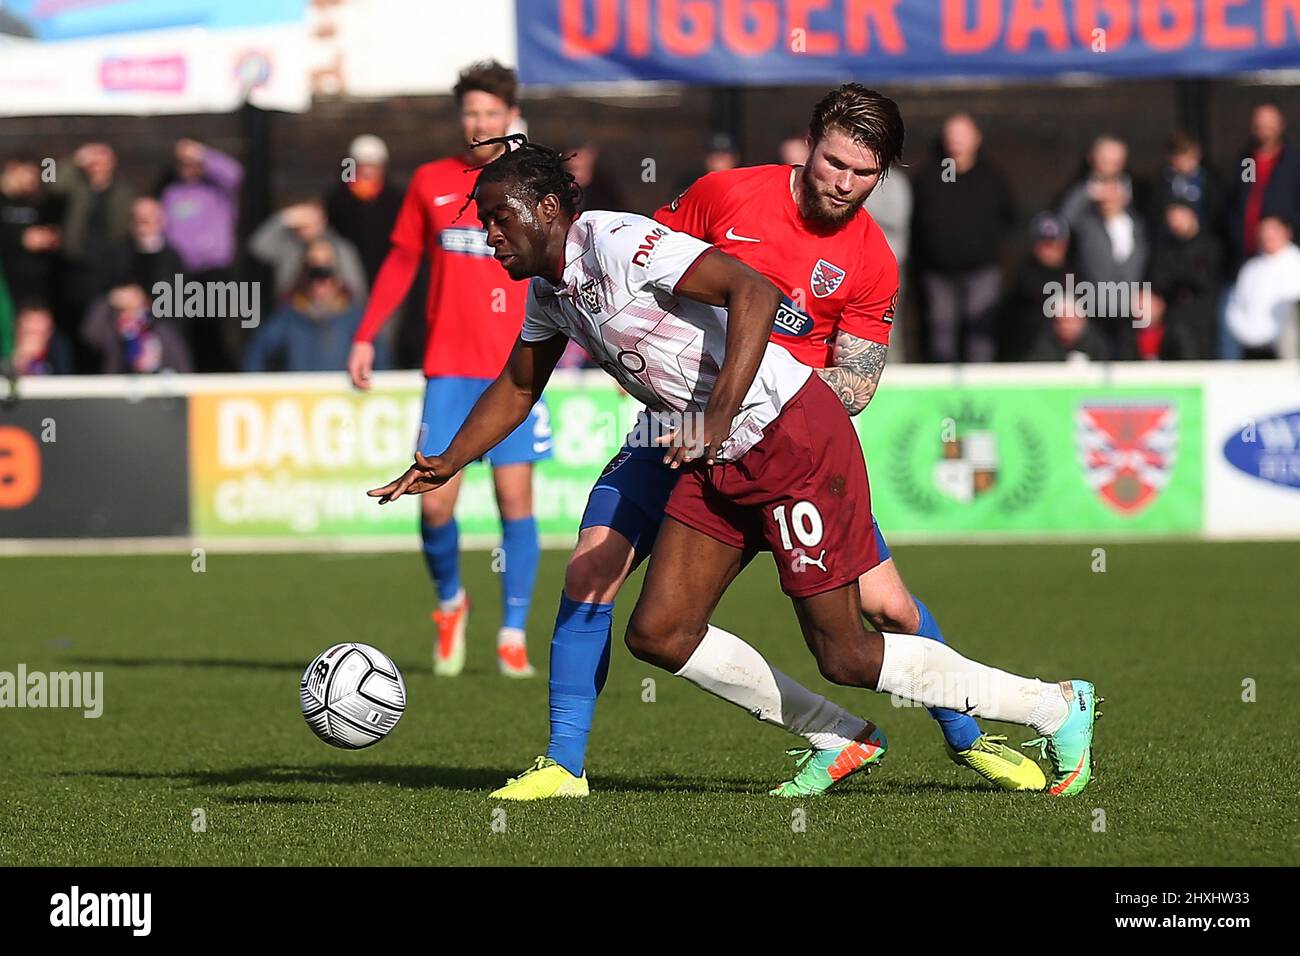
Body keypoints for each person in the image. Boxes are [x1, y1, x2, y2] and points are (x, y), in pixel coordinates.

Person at [369, 135, 1101, 802]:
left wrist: (717, 414)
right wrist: (446, 461)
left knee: (846, 649)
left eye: (499, 217)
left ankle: (1055, 705)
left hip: (789, 437)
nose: (487, 234)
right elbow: (519, 384)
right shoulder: (551, 290)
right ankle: (840, 737)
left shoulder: (619, 242)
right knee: (659, 631)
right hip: (710, 450)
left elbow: (754, 290)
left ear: (550, 208)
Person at [347, 61, 549, 678]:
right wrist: (365, 336)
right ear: (461, 117)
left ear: (510, 116)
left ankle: (512, 630)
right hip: (450, 370)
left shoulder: (532, 183)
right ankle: (449, 603)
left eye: (491, 112)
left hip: (517, 367)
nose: (480, 122)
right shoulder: (431, 182)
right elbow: (402, 262)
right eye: (471, 112)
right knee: (433, 504)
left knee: (515, 501)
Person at [911, 113, 1016, 363]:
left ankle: (981, 393)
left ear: (976, 138)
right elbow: (916, 222)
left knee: (981, 337)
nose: (955, 141)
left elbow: (1010, 218)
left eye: (962, 135)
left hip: (982, 272)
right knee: (941, 336)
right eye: (951, 135)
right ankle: (942, 395)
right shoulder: (929, 177)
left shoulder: (992, 177)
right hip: (938, 274)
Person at [245, 241, 381, 373]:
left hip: (345, 394)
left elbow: (385, 368)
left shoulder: (357, 321)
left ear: (340, 277)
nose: (320, 281)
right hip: (299, 394)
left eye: (327, 272)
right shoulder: (286, 319)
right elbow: (254, 360)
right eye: (313, 272)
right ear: (302, 275)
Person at [1071, 175, 1149, 360]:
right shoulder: (1088, 224)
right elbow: (1065, 219)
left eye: (1113, 191)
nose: (1108, 198)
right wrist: (1088, 191)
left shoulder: (1138, 226)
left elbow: (1147, 262)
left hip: (1131, 311)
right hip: (1095, 308)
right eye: (1104, 192)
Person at [248, 198, 368, 304]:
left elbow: (358, 289)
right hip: (292, 316)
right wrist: (285, 217)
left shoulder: (342, 248)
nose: (305, 222)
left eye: (311, 216)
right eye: (301, 217)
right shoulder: (289, 248)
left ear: (323, 218)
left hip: (337, 316)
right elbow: (257, 246)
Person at [1148, 200, 1222, 361]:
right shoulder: (1165, 248)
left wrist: (1181, 278)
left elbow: (1203, 279)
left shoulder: (1210, 245)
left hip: (1205, 323)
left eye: (1179, 216)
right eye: (1171, 218)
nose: (1175, 223)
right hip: (1173, 321)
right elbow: (1160, 280)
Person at [1225, 215, 1300, 360]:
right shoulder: (1250, 268)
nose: (1267, 235)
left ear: (1287, 232)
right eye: (1263, 230)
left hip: (1290, 353)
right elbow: (1235, 307)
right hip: (1251, 349)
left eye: (1273, 229)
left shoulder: (1296, 263)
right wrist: (1248, 335)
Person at [1000, 212, 1072, 361]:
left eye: (1054, 242)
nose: (1049, 248)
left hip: (1069, 354)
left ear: (1065, 243)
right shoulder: (1024, 274)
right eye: (1044, 242)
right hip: (1030, 355)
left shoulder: (1076, 273)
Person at [81, 282, 191, 374]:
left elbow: (182, 364)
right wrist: (109, 300)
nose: (130, 314)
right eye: (124, 310)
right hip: (119, 392)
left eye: (135, 307)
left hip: (159, 392)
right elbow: (90, 334)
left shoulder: (161, 330)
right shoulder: (112, 331)